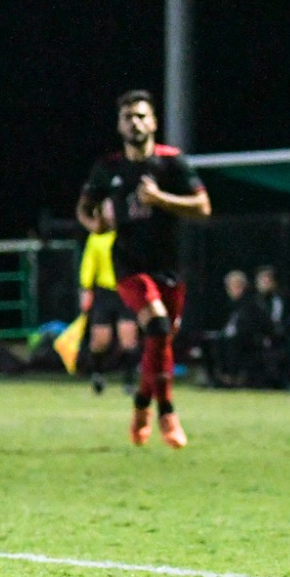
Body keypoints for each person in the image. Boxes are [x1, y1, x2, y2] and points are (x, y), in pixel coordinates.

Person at [76, 91, 212, 446]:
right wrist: (95, 224)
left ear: (153, 122)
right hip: (129, 267)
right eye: (128, 117)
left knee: (161, 340)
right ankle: (167, 412)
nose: (135, 122)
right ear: (119, 125)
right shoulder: (108, 168)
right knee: (157, 324)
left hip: (169, 267)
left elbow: (203, 207)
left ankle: (141, 404)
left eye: (140, 116)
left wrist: (161, 199)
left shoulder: (172, 163)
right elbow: (84, 208)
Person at [77, 226, 134, 393]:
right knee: (100, 340)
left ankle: (129, 381)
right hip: (104, 291)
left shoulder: (129, 236)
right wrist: (86, 288)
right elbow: (89, 263)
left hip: (127, 289)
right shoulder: (97, 237)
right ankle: (98, 374)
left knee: (128, 339)